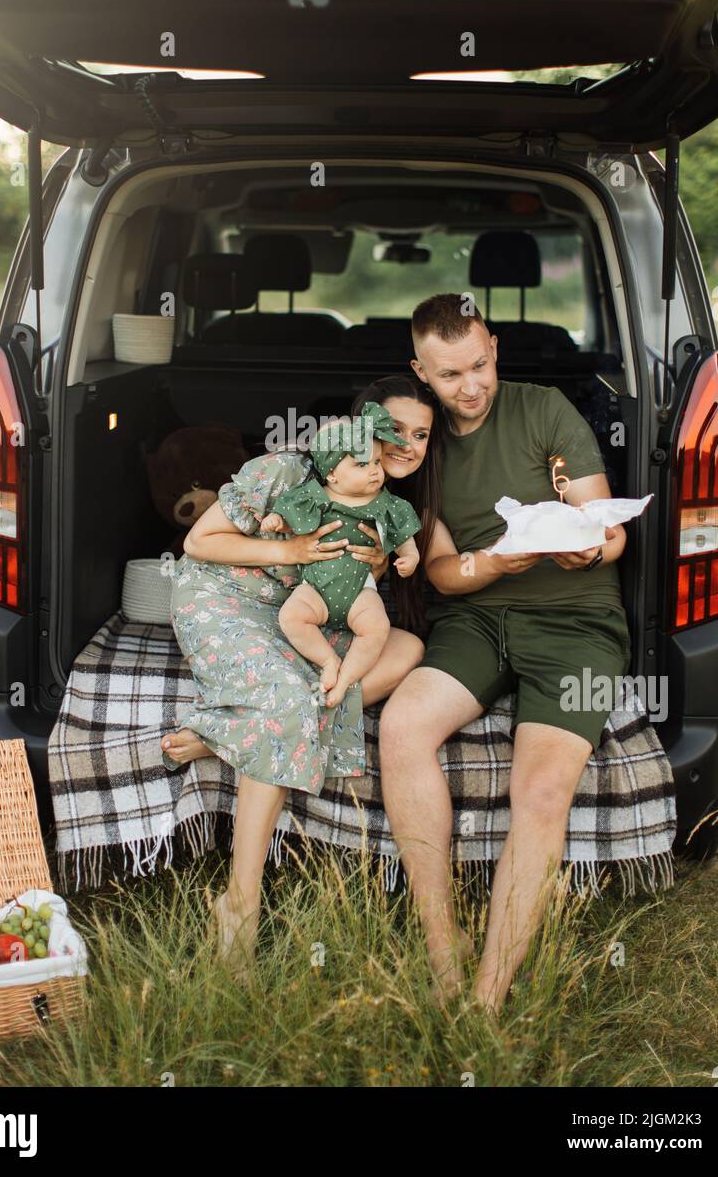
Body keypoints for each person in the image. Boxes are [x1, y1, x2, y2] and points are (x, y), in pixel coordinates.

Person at [379, 294, 630, 1014]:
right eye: (451, 373)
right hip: (477, 618)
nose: (472, 385)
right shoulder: (417, 442)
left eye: (481, 364)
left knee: (544, 791)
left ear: (494, 346)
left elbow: (608, 529)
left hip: (578, 624)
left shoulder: (545, 408)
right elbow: (441, 572)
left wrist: (590, 546)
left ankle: (486, 998)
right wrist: (492, 566)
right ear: (420, 371)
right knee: (401, 729)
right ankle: (443, 953)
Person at [159, 376, 439, 975]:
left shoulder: (380, 502)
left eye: (419, 435)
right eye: (394, 429)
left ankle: (223, 732)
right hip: (225, 597)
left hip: (298, 619)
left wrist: (384, 563)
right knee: (290, 699)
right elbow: (199, 541)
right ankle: (239, 903)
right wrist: (293, 550)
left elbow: (344, 601)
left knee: (406, 646)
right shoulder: (286, 471)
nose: (405, 445)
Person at [260, 401, 421, 707]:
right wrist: (276, 521)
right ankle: (328, 660)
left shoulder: (385, 503)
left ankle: (346, 678)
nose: (374, 472)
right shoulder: (315, 497)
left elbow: (403, 534)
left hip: (360, 589)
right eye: (361, 465)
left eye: (376, 462)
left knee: (377, 629)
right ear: (331, 474)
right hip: (315, 588)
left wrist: (410, 557)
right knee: (291, 617)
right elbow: (289, 516)